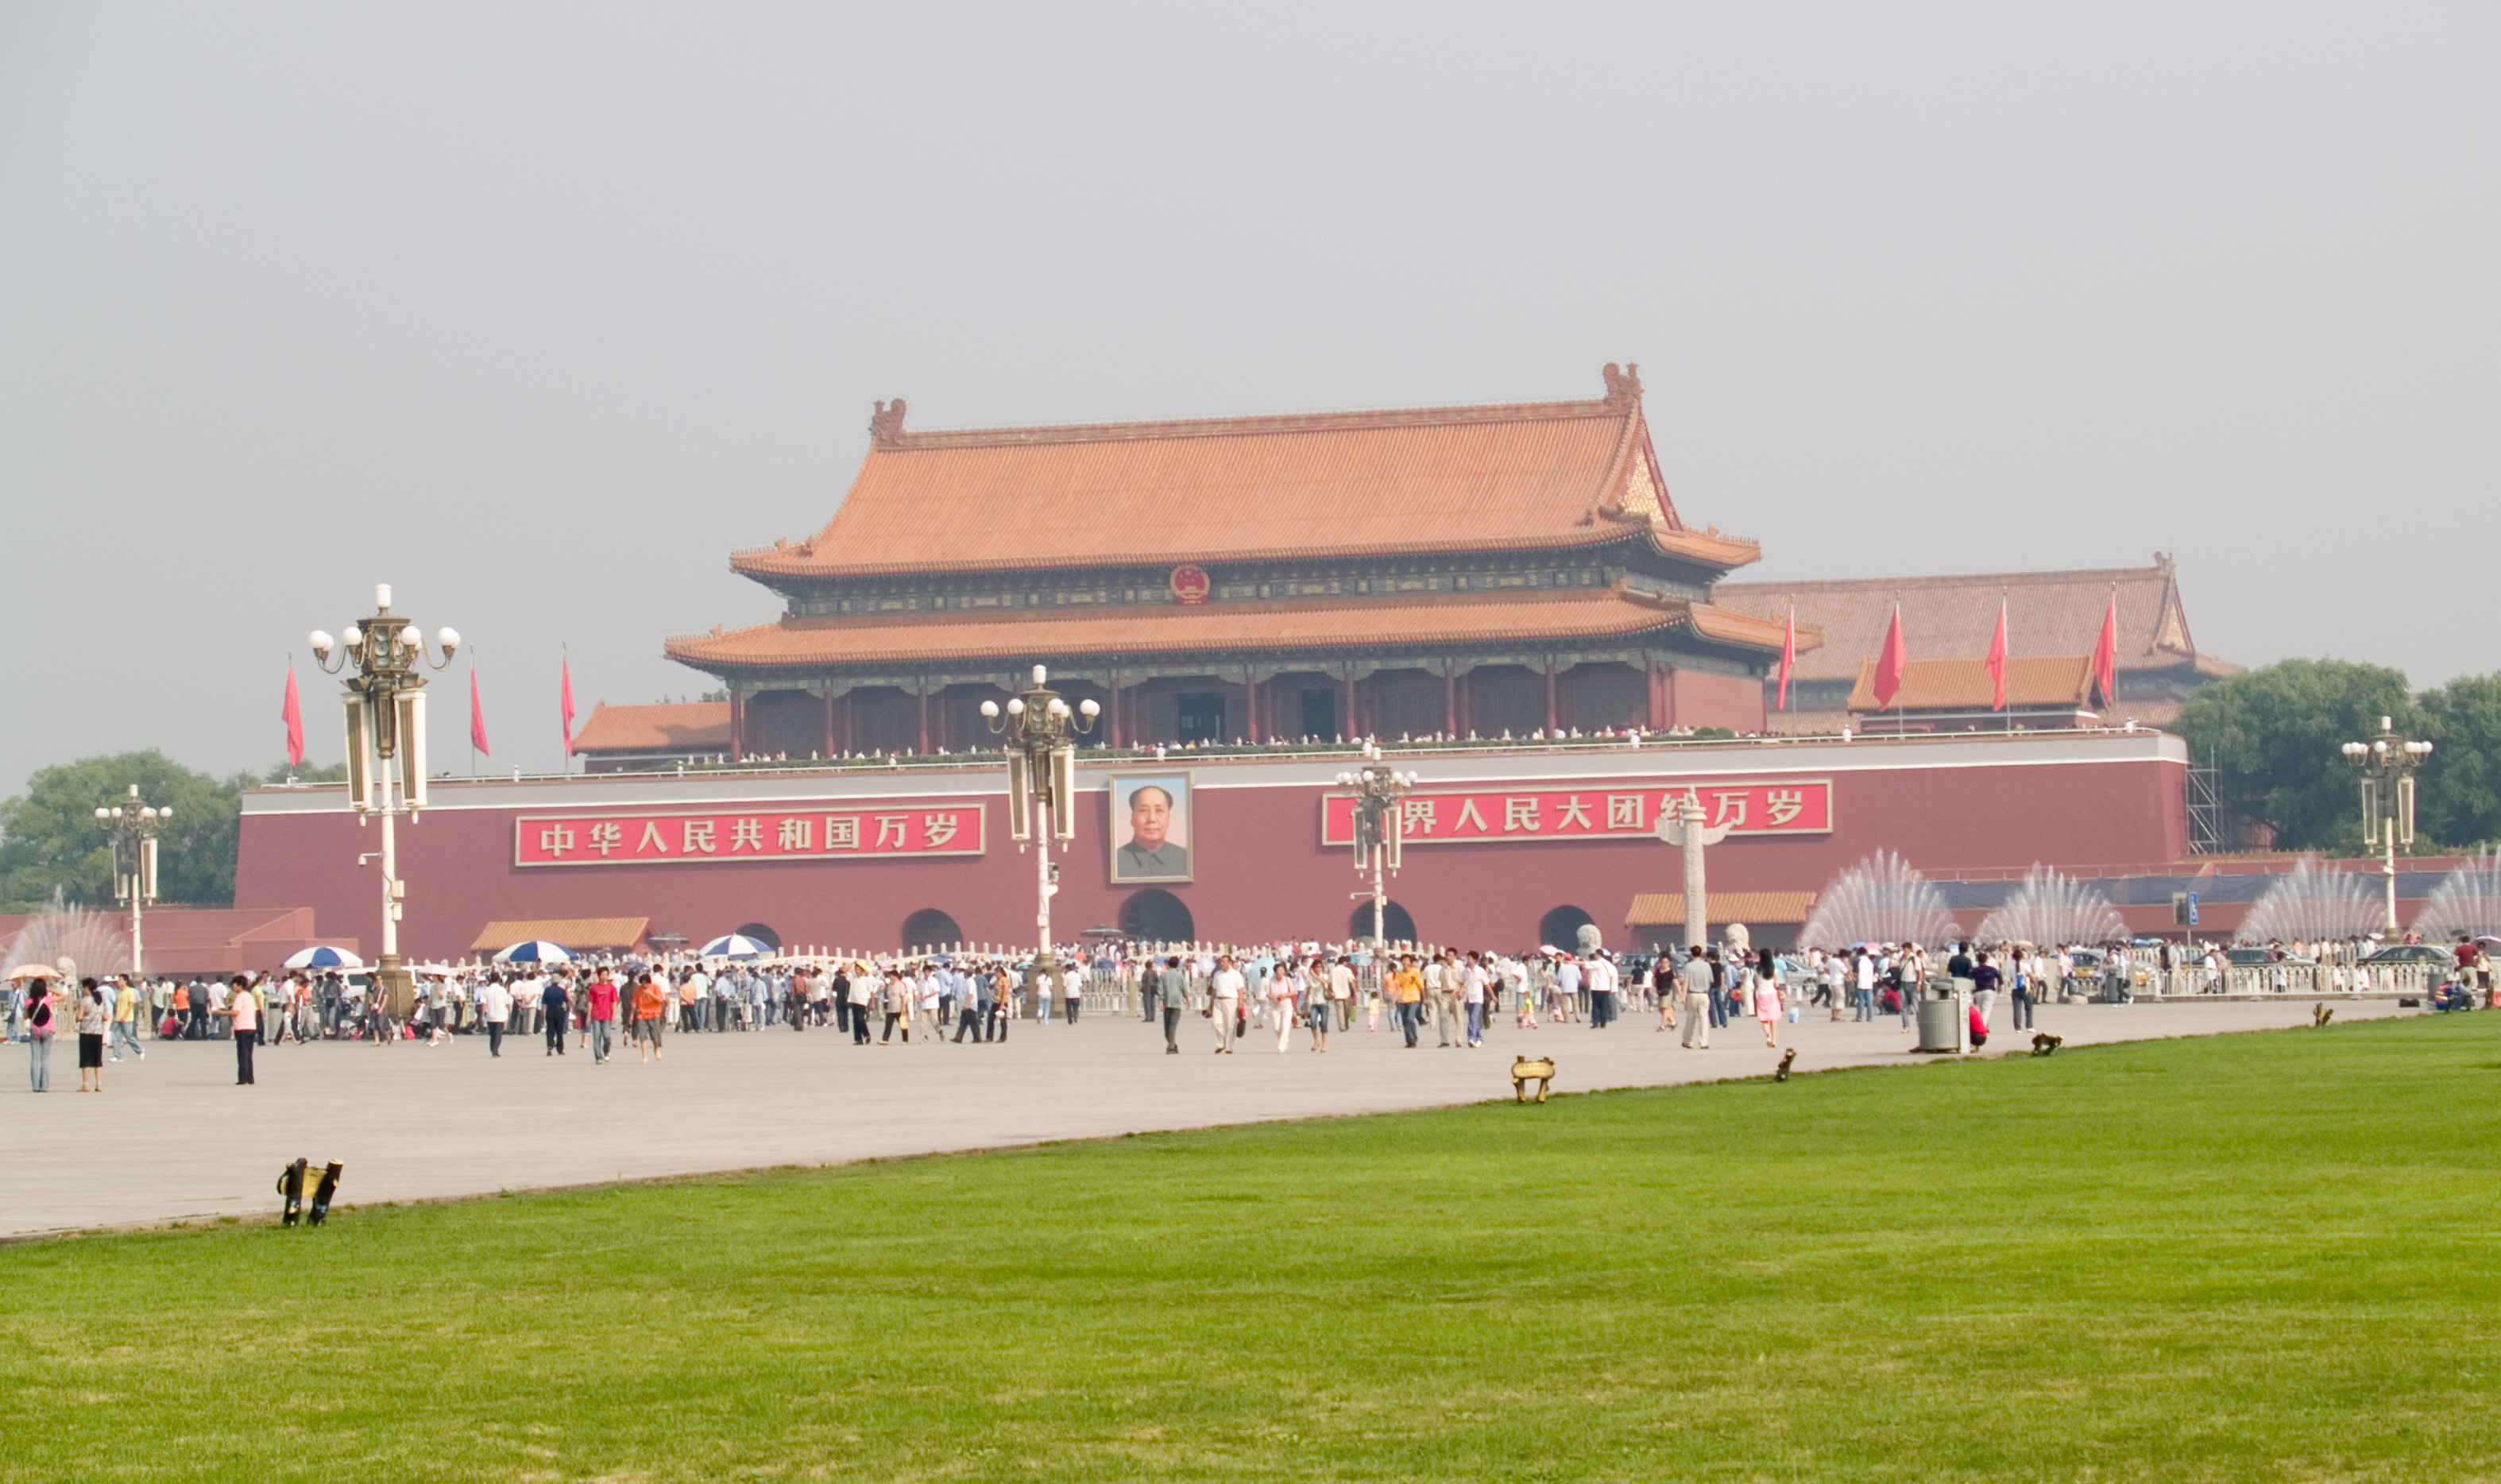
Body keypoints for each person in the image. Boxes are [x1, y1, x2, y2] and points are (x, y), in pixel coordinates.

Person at [1114, 783, 1189, 879]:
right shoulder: (1115, 862)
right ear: (1132, 818)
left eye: (1159, 811)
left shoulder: (1186, 859)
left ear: (1169, 818)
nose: (1152, 819)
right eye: (1143, 811)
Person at [212, 975, 259, 1084]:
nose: (233, 987)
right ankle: (250, 1077)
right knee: (248, 1054)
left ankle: (242, 1078)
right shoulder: (249, 996)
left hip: (242, 1028)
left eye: (234, 985)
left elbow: (235, 1012)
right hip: (251, 1027)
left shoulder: (240, 997)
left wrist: (220, 1013)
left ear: (239, 985)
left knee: (242, 1054)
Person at [1676, 945, 1714, 1049]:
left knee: (1690, 1019)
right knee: (1704, 1019)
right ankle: (1704, 1042)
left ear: (1692, 954)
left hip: (1692, 994)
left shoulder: (1689, 966)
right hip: (1704, 994)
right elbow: (1711, 980)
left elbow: (1686, 981)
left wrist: (1683, 995)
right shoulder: (1707, 966)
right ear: (1701, 953)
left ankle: (1688, 1041)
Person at [76, 979, 108, 1092]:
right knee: (97, 1059)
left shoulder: (84, 1001)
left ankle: (86, 1084)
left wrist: (80, 1017)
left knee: (86, 1059)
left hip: (86, 1032)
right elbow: (106, 1017)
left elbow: (79, 1017)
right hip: (98, 1032)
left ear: (87, 988)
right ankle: (98, 1084)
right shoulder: (99, 1001)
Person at [25, 975, 56, 1091]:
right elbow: (63, 996)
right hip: (47, 1029)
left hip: (34, 1029)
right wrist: (50, 990)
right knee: (45, 1059)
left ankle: (35, 1086)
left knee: (35, 1058)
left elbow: (25, 1017)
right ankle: (44, 1085)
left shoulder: (28, 1001)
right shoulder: (47, 999)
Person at [1208, 955, 1243, 1053]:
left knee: (1230, 1025)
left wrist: (1240, 1003)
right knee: (1216, 1023)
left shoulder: (1236, 974)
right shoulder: (1217, 974)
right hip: (1218, 1001)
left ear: (1229, 963)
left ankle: (1229, 1046)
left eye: (1224, 962)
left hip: (1231, 1001)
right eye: (1221, 962)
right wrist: (1211, 1004)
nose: (1222, 963)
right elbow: (1214, 990)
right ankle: (1220, 1044)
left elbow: (1240, 989)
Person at [583, 968, 618, 1064]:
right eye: (602, 975)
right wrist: (589, 1016)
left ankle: (606, 1051)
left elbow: (614, 1002)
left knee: (607, 1036)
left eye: (606, 975)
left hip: (607, 1015)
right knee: (597, 1036)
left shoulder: (611, 988)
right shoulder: (594, 988)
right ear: (599, 976)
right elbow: (590, 1002)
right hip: (596, 1015)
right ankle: (598, 1057)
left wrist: (614, 1014)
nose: (604, 977)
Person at [1390, 956, 1424, 1048]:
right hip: (1403, 1000)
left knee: (1410, 1018)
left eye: (1407, 961)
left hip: (1414, 999)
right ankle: (1409, 1041)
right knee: (1405, 1022)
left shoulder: (1415, 972)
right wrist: (1394, 1001)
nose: (1405, 962)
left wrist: (1424, 998)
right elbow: (1398, 989)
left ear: (1410, 962)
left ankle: (1413, 1039)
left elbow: (1421, 986)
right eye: (1403, 961)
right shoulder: (1400, 974)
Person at [633, 972, 668, 1062]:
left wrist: (650, 994)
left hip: (654, 1014)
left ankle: (656, 1049)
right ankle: (644, 1056)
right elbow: (634, 1002)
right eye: (642, 983)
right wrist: (632, 1013)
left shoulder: (655, 987)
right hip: (642, 1015)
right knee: (642, 1036)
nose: (644, 985)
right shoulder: (638, 989)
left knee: (655, 1036)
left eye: (646, 983)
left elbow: (660, 1000)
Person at [1156, 956, 1189, 1053]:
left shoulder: (1163, 975)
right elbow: (1184, 988)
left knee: (1168, 1028)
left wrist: (1160, 1001)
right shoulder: (1179, 975)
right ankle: (1173, 1045)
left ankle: (1171, 1047)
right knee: (1171, 1027)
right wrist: (1187, 1000)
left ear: (1169, 964)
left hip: (1168, 1003)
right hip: (1175, 1003)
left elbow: (1160, 989)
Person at [109, 975, 144, 1062]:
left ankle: (139, 1050)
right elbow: (116, 1006)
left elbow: (131, 1005)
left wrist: (125, 1016)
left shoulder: (129, 991)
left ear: (125, 981)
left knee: (129, 1037)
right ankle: (117, 1056)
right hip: (118, 1018)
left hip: (127, 1019)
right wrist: (115, 1016)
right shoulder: (118, 992)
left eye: (120, 980)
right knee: (116, 1037)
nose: (118, 982)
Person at [1752, 954, 1783, 1047]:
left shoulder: (1756, 969)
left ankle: (1768, 1036)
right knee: (1774, 1019)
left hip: (1762, 994)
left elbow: (1756, 984)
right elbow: (1776, 984)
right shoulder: (1774, 970)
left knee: (1764, 1018)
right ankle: (1774, 1040)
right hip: (1772, 994)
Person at [477, 975, 512, 1057]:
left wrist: (483, 1014)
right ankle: (495, 1049)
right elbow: (507, 1003)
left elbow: (483, 1003)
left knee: (492, 1034)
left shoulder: (487, 990)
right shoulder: (502, 990)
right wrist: (509, 1011)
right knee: (498, 1034)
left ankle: (493, 1048)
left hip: (490, 1014)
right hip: (500, 1015)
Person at [539, 975, 570, 1056]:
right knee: (559, 1031)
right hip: (559, 1010)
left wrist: (543, 1012)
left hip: (550, 1010)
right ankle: (560, 1050)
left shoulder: (547, 990)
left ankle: (549, 1047)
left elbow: (543, 1002)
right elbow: (566, 1000)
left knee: (550, 1030)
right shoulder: (561, 990)